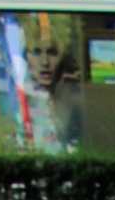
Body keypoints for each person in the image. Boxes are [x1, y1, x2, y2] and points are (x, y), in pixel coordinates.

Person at [22, 14, 83, 149]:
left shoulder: (73, 98)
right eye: (37, 52)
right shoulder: (21, 101)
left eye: (52, 53)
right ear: (27, 55)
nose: (45, 62)